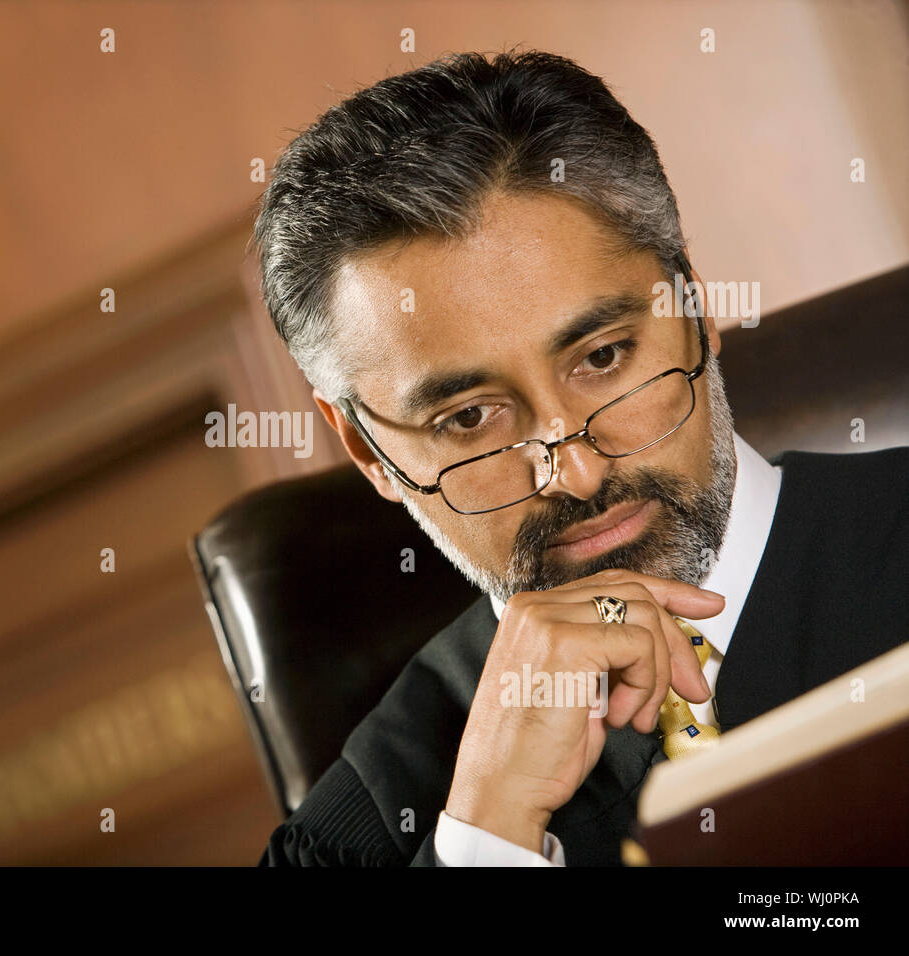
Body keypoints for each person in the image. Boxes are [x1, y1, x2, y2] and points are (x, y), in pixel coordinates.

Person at [251, 50, 908, 866]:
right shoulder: (352, 843)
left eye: (602, 358)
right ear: (368, 452)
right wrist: (489, 839)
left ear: (695, 309)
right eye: (469, 417)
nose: (578, 472)